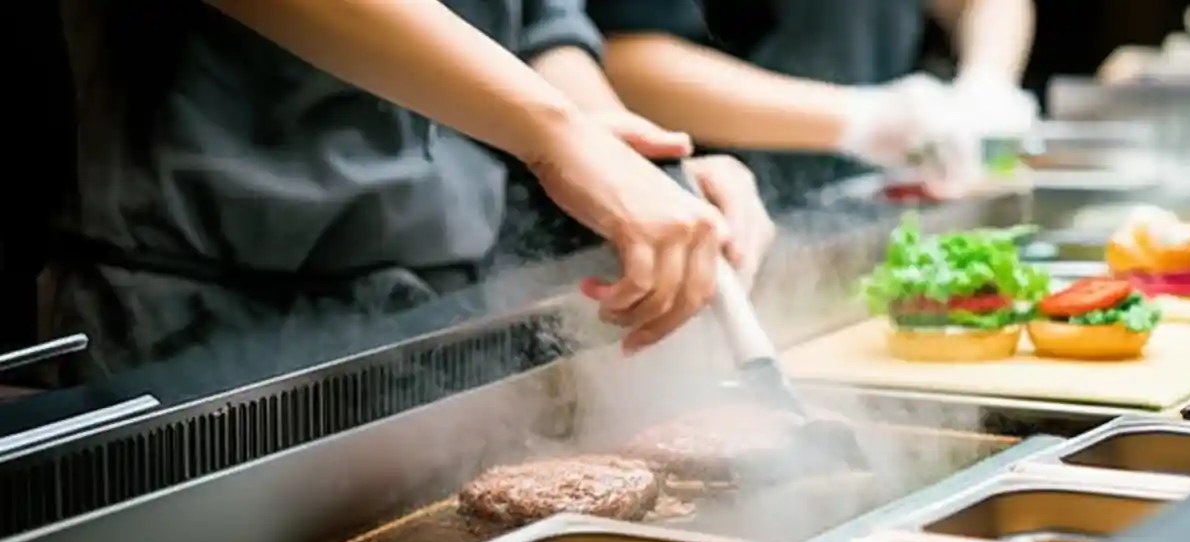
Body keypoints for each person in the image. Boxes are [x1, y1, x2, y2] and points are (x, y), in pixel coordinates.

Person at [48, 0, 774, 383]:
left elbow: (540, 19)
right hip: (195, 315)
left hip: (445, 304)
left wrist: (619, 145)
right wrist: (560, 136)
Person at [585, 0, 1040, 206]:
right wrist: (862, 118)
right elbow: (622, 58)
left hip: (861, 203)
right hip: (719, 208)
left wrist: (987, 82)